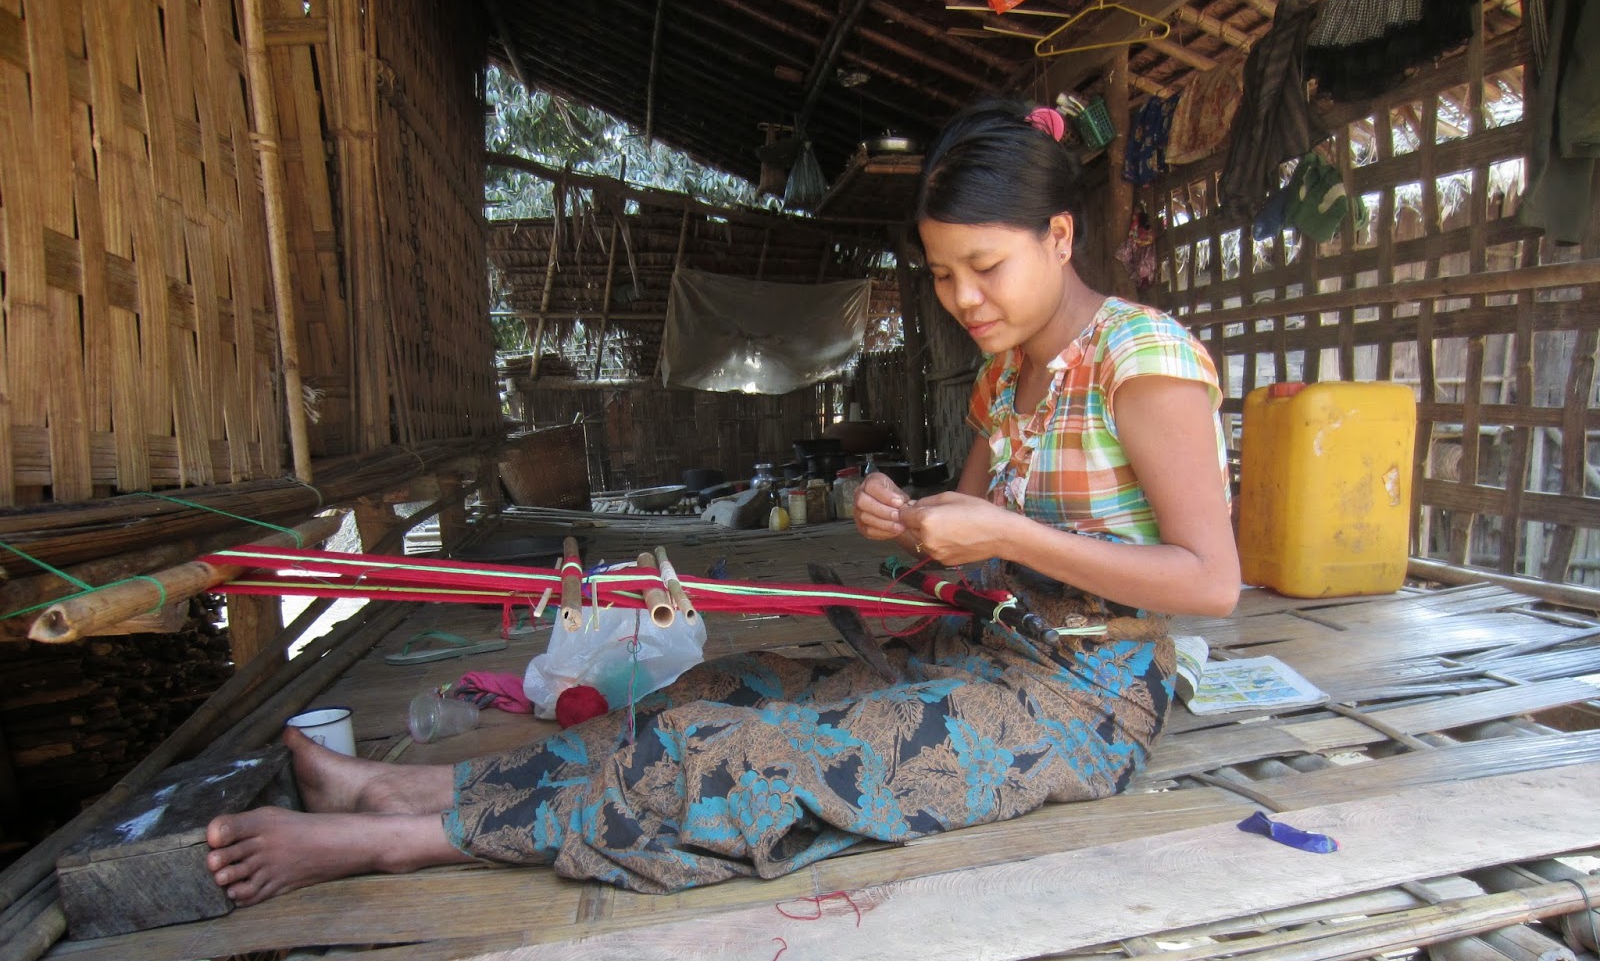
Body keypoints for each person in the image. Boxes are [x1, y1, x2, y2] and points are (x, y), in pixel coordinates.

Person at [205, 99, 1238, 906]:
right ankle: (415, 788)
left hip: (1085, 701)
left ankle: (394, 842)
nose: (963, 298)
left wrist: (1005, 531)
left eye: (985, 267)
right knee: (716, 694)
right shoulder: (1000, 371)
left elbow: (1211, 585)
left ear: (1059, 237)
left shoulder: (1139, 362)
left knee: (745, 761)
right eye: (939, 274)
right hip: (976, 656)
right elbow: (959, 563)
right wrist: (910, 524)